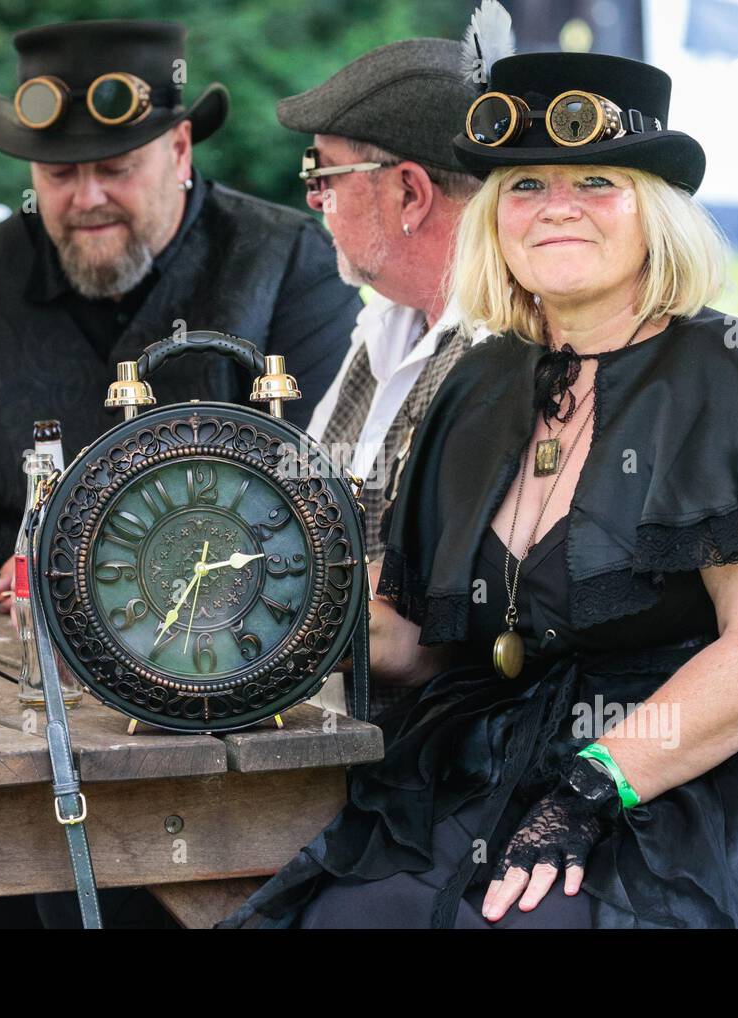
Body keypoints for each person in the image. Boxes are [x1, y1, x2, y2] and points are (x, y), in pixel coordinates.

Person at [217, 46, 738, 929]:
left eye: (598, 184)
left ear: (654, 214)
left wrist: (590, 786)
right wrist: (240, 621)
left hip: (710, 780)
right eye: (528, 187)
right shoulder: (481, 379)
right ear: (495, 218)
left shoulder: (735, 370)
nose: (558, 210)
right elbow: (419, 636)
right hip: (508, 752)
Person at [0, 19, 360, 612]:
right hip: (9, 659)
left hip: (225, 648)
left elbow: (315, 504)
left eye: (115, 169)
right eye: (59, 174)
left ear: (179, 149)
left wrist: (86, 558)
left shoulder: (293, 267)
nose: (86, 199)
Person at [276, 37, 485, 719]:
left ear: (409, 192)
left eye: (326, 174)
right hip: (344, 732)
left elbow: (427, 637)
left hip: (443, 760)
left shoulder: (503, 353)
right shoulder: (385, 328)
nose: (314, 199)